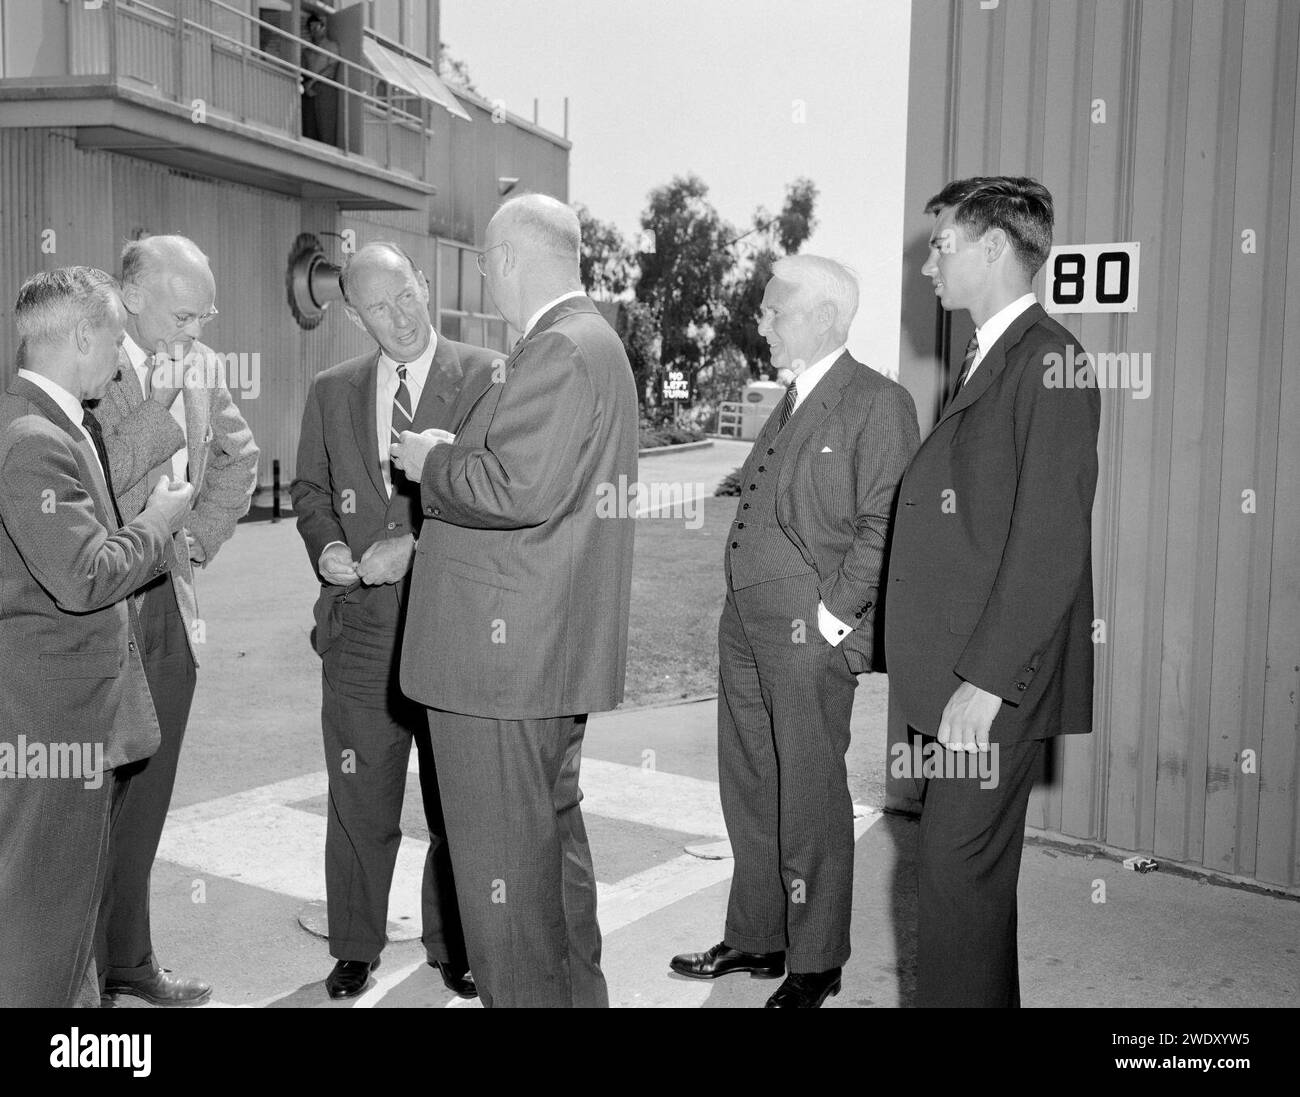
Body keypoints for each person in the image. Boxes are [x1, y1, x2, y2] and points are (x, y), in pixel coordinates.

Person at [391, 194, 638, 1008]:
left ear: (504, 261)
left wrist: (432, 459)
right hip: (538, 660)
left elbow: (514, 484)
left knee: (505, 904)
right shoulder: (594, 343)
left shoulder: (559, 348)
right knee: (552, 875)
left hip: (497, 673)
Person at [670, 256, 919, 1007]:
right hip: (745, 620)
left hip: (809, 628)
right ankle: (758, 933)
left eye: (777, 310)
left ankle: (816, 958)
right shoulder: (794, 396)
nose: (764, 321)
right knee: (749, 779)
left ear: (821, 315)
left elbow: (886, 519)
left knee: (808, 789)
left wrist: (835, 617)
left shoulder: (878, 400)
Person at [885, 176, 1100, 1007]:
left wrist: (985, 683)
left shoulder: (1051, 361)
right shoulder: (989, 356)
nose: (930, 263)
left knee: (952, 873)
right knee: (966, 883)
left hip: (987, 685)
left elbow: (1049, 545)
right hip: (961, 677)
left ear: (993, 248)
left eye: (942, 245)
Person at [291, 242, 493, 1001]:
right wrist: (329, 545)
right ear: (355, 315)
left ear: (425, 283)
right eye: (382, 306)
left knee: (456, 802)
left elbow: (502, 492)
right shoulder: (331, 389)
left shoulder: (487, 376)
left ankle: (458, 943)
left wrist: (419, 541)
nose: (402, 315)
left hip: (457, 631)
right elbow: (309, 489)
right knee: (359, 799)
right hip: (361, 634)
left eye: (408, 294)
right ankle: (354, 944)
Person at [0, 268, 193, 1008]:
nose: (121, 352)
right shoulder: (32, 439)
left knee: (68, 915)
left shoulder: (45, 422)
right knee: (41, 922)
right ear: (82, 335)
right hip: (52, 721)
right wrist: (161, 519)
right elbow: (84, 574)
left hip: (62, 717)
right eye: (115, 334)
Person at [92, 235, 259, 1007]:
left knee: (146, 803)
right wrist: (158, 401)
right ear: (132, 296)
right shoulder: (83, 361)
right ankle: (70, 975)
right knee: (82, 806)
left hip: (168, 608)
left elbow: (238, 458)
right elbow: (104, 476)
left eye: (204, 316)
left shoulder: (202, 364)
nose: (194, 334)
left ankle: (129, 960)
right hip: (91, 613)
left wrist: (193, 542)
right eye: (183, 315)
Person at [301, 13, 340, 145]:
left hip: (325, 87)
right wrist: (306, 85)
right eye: (311, 28)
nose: (314, 31)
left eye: (316, 27)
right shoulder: (306, 51)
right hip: (308, 89)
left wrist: (312, 83)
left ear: (323, 27)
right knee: (309, 127)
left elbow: (331, 68)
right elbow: (303, 71)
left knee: (325, 126)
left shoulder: (331, 46)